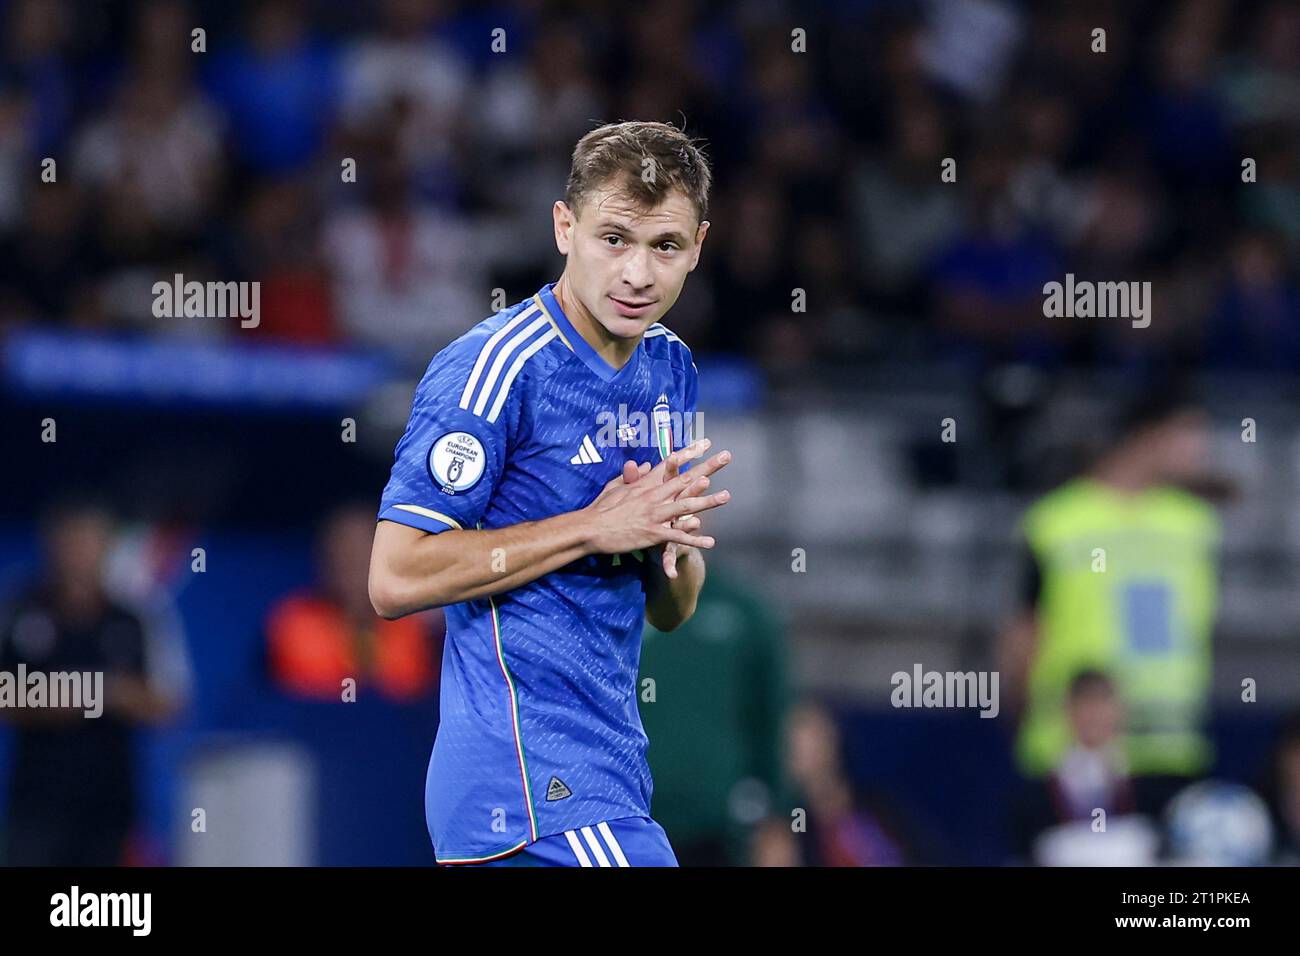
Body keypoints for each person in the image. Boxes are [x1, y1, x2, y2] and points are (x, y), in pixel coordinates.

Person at [368, 121, 732, 866]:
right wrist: (589, 528)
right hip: (529, 785)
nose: (637, 274)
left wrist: (673, 544)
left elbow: (672, 609)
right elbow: (394, 577)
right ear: (565, 228)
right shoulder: (493, 369)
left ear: (697, 246)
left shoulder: (671, 368)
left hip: (608, 776)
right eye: (614, 239)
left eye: (664, 247)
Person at [999, 390, 1223, 814]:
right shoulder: (1057, 521)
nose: (1202, 450)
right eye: (1189, 435)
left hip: (1171, 746)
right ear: (1147, 435)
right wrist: (1021, 709)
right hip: (1073, 748)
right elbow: (1024, 631)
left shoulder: (1196, 525)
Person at [0, 501, 186, 866]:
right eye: (69, 542)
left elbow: (168, 702)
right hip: (35, 805)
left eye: (88, 542)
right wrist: (90, 693)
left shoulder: (139, 616)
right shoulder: (17, 609)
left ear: (107, 548)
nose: (78, 554)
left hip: (111, 807)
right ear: (49, 544)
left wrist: (112, 693)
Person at [266, 503, 438, 703]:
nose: (354, 567)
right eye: (345, 554)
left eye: (364, 553)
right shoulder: (295, 625)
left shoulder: (413, 629)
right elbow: (327, 696)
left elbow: (412, 697)